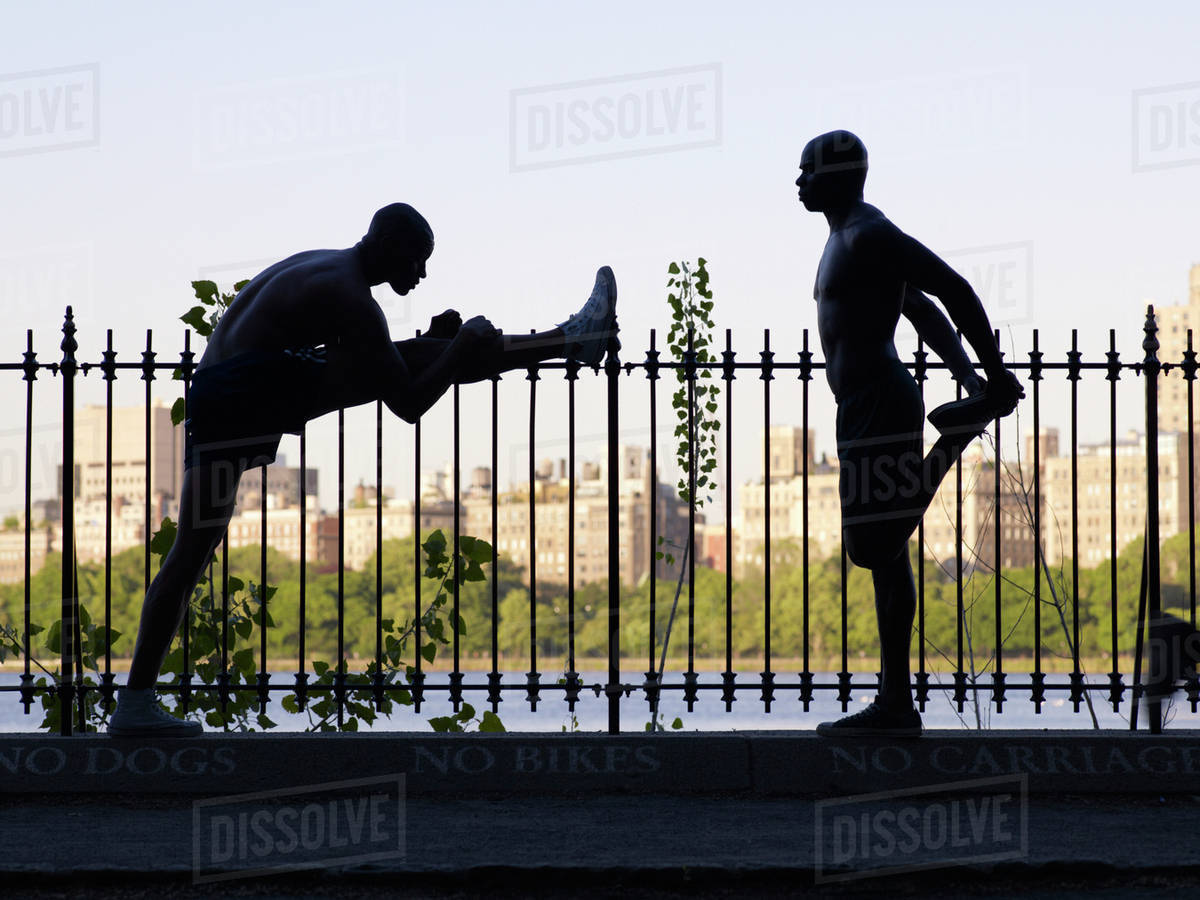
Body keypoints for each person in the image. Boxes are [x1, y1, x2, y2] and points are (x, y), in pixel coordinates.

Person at [108, 203, 618, 736]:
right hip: (240, 398)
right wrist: (460, 346)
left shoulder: (331, 268)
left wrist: (438, 345)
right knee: (188, 555)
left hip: (238, 386)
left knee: (425, 353)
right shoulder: (351, 298)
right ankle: (135, 706)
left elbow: (378, 362)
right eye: (417, 261)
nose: (421, 275)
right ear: (389, 245)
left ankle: (569, 341)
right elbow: (409, 404)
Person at [796, 131, 1024, 737]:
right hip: (861, 406)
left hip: (881, 403)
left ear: (840, 177)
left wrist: (991, 379)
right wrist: (969, 375)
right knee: (889, 561)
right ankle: (897, 703)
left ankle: (955, 438)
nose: (798, 183)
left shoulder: (870, 233)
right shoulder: (842, 241)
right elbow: (920, 309)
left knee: (870, 546)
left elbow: (954, 289)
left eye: (808, 172)